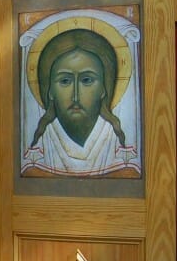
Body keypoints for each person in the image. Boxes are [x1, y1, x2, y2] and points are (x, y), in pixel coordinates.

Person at [22, 28, 139, 177]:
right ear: (49, 90)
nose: (75, 96)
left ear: (104, 88)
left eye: (87, 80)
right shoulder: (39, 148)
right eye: (65, 81)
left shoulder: (121, 149)